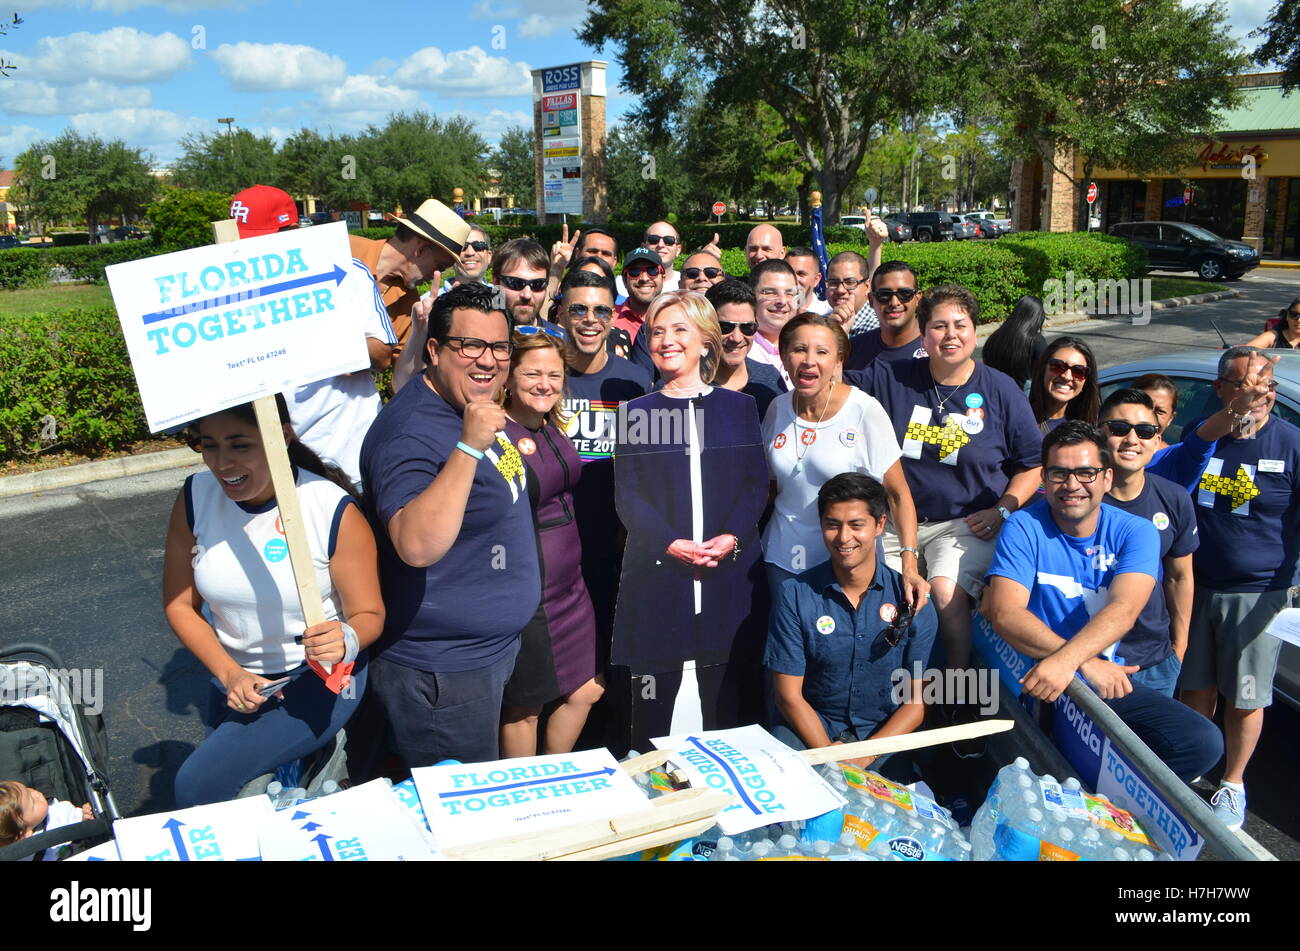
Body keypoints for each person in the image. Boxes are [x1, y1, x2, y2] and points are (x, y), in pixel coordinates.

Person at [163, 395, 383, 807]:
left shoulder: (328, 506)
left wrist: (346, 637)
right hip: (235, 677)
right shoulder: (195, 496)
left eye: (239, 444)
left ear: (280, 436)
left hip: (320, 677)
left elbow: (370, 614)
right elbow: (179, 605)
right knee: (241, 800)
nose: (221, 463)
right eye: (207, 444)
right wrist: (229, 674)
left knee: (198, 786)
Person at [359, 283, 541, 768]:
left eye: (499, 346)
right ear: (435, 350)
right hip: (443, 672)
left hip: (484, 655)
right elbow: (416, 545)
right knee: (457, 821)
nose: (488, 360)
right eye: (470, 346)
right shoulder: (412, 432)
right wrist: (468, 448)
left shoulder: (463, 408)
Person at [982, 421, 1223, 785]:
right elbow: (1003, 611)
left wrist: (1070, 660)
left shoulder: (1136, 531)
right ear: (1044, 479)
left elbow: (1124, 608)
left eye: (1086, 472)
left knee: (1201, 742)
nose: (1073, 484)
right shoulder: (1023, 526)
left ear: (1107, 478)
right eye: (1060, 473)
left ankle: (1109, 808)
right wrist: (1081, 662)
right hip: (1039, 677)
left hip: (1096, 677)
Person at [846, 285, 1043, 677]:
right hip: (896, 519)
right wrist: (839, 328)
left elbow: (1033, 464)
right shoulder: (891, 377)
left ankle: (953, 692)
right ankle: (875, 687)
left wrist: (1003, 509)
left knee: (943, 592)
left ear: (975, 332)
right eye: (938, 326)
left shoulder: (1000, 389)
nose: (950, 334)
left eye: (960, 325)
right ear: (923, 336)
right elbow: (834, 385)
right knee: (873, 596)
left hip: (965, 524)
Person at [611, 290, 767, 751]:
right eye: (657, 331)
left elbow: (754, 484)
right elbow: (629, 495)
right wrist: (667, 543)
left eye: (680, 329)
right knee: (653, 715)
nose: (666, 340)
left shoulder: (738, 409)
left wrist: (732, 536)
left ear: (705, 341)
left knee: (726, 710)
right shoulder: (637, 414)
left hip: (728, 579)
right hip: (660, 583)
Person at [1178, 347, 1300, 829]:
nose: (1260, 396)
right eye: (1247, 386)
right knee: (1195, 688)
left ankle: (1232, 783)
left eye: (1267, 387)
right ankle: (1189, 771)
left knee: (1246, 694)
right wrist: (1235, 412)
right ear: (1222, 389)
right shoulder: (1203, 436)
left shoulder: (1292, 444)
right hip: (1196, 586)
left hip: (1260, 594)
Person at [765, 474, 938, 777]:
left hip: (883, 739)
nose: (844, 537)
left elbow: (917, 703)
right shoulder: (794, 594)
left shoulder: (913, 600)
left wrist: (862, 757)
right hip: (811, 734)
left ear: (880, 525)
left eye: (856, 525)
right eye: (833, 524)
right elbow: (788, 696)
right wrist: (833, 758)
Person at [228, 185, 396, 487]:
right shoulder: (234, 291)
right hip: (280, 467)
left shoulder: (349, 273)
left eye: (259, 242)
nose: (250, 255)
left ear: (292, 230)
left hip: (352, 461)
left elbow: (382, 354)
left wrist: (326, 334)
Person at [763, 313, 927, 610]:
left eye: (822, 352)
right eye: (799, 349)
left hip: (848, 565)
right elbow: (771, 488)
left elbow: (898, 494)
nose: (809, 360)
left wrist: (909, 563)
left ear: (838, 362)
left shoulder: (863, 411)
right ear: (784, 358)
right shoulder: (776, 408)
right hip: (783, 559)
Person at [498, 332, 604, 757]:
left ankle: (554, 770)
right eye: (534, 373)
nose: (545, 383)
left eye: (555, 374)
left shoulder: (551, 425)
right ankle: (522, 794)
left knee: (588, 688)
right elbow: (507, 500)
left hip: (571, 588)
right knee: (525, 704)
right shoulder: (500, 434)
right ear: (509, 376)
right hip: (533, 589)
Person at [553, 268, 652, 651]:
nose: (590, 320)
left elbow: (644, 470)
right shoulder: (543, 376)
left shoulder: (634, 382)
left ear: (614, 316)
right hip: (554, 543)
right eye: (579, 310)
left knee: (610, 652)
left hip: (613, 544)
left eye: (602, 311)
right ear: (560, 313)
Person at [1098, 390, 1198, 696]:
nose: (1132, 439)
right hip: (1088, 661)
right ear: (1098, 432)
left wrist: (1178, 649)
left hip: (1154, 663)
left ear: (1157, 440)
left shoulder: (1174, 498)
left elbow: (1179, 577)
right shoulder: (1076, 498)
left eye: (1144, 431)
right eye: (1119, 428)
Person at [349, 197, 467, 356]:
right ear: (421, 249)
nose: (436, 276)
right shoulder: (339, 247)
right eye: (439, 266)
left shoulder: (410, 306)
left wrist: (423, 331)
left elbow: (397, 370)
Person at [705, 278, 786, 422]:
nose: (736, 338)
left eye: (747, 328)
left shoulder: (770, 379)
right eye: (725, 327)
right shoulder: (680, 386)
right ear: (706, 326)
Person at [844, 260, 927, 372]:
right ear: (871, 300)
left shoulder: (936, 347)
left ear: (918, 298)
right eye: (884, 295)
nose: (894, 302)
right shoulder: (854, 349)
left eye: (904, 294)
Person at [0, 781, 93, 861]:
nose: (36, 793)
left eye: (27, 789)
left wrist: (84, 815)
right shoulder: (59, 815)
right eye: (33, 802)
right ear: (24, 834)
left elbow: (80, 818)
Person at [747, 258, 803, 387]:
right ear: (751, 296)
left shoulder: (809, 347)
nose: (782, 301)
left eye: (790, 293)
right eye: (770, 292)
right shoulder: (737, 349)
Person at [1028, 335, 1100, 432]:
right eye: (1058, 366)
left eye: (1078, 371)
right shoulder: (1020, 419)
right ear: (1042, 369)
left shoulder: (1092, 425)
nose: (1067, 376)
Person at [981, 295, 1048, 391]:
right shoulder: (1036, 340)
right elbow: (1044, 371)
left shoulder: (995, 336)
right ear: (1038, 317)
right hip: (1021, 394)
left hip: (993, 389)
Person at [825, 250, 879, 342]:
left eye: (849, 282)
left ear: (867, 287)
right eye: (833, 282)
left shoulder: (878, 329)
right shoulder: (822, 324)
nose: (840, 290)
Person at [1133, 373, 1180, 449]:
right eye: (1145, 407)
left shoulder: (1171, 457)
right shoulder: (1110, 451)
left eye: (1160, 411)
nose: (1150, 417)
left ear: (1170, 419)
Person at [439, 225, 491, 292]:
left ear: (489, 256)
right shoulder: (428, 300)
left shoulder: (502, 298)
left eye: (478, 245)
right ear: (451, 256)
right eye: (461, 246)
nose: (470, 253)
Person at [785, 246, 831, 315]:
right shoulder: (770, 312)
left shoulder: (827, 314)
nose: (793, 279)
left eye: (801, 274)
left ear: (816, 280)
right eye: (788, 273)